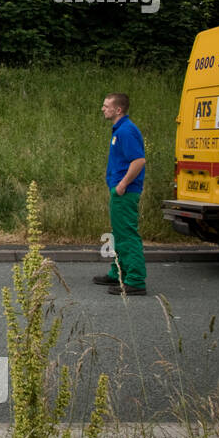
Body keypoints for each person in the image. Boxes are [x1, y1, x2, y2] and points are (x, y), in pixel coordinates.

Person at [97, 92, 147, 294]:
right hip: (120, 191)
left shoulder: (126, 131)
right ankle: (118, 273)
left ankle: (135, 280)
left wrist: (122, 184)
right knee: (118, 233)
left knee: (126, 234)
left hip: (125, 192)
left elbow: (139, 161)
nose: (103, 108)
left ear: (118, 109)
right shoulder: (120, 130)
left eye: (106, 105)